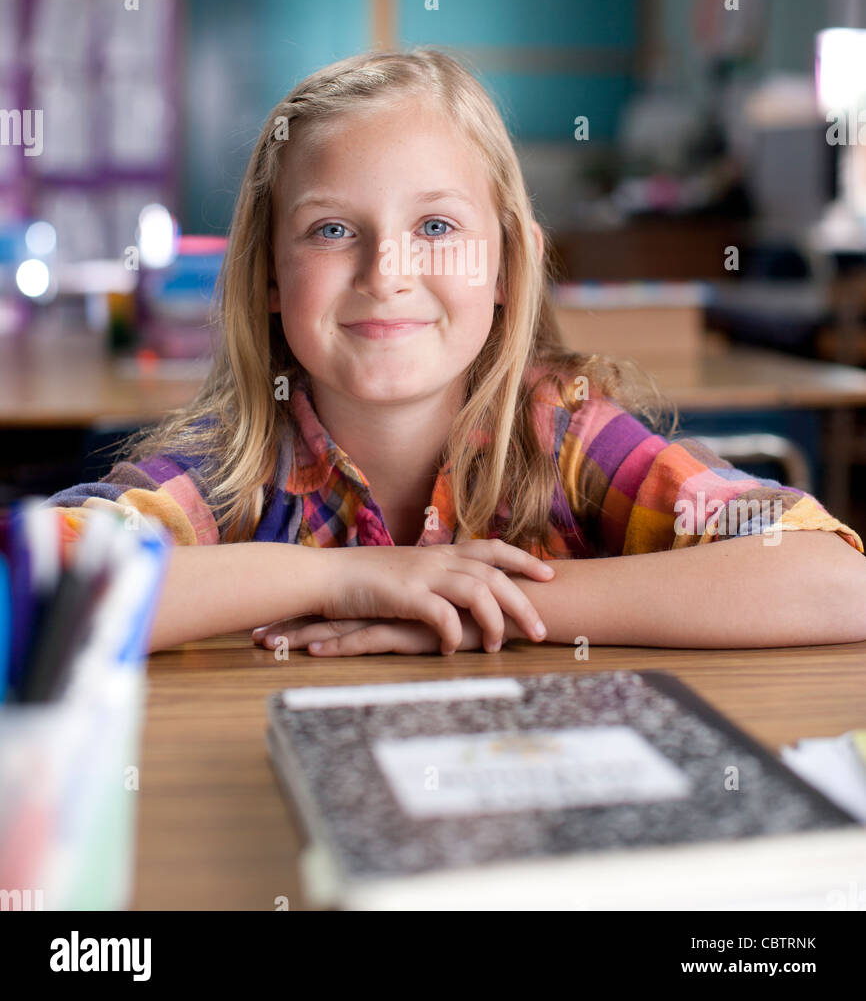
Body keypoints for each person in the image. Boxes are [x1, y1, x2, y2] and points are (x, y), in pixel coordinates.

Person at [46, 49, 866, 656]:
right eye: (333, 230)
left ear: (509, 265)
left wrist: (483, 598)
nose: (386, 274)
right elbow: (37, 594)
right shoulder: (232, 466)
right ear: (266, 275)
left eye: (435, 227)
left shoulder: (564, 434)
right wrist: (352, 581)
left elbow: (834, 579)